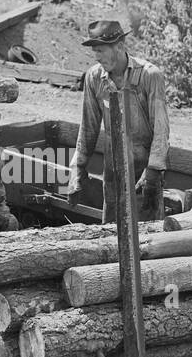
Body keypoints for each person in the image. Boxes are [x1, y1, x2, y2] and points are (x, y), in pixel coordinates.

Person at [66, 19, 171, 223]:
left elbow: (161, 129)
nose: (97, 57)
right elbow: (88, 127)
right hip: (113, 171)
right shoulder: (94, 77)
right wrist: (77, 168)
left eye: (101, 51)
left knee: (148, 238)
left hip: (145, 172)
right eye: (94, 51)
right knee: (111, 235)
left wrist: (154, 171)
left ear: (120, 46)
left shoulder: (149, 75)